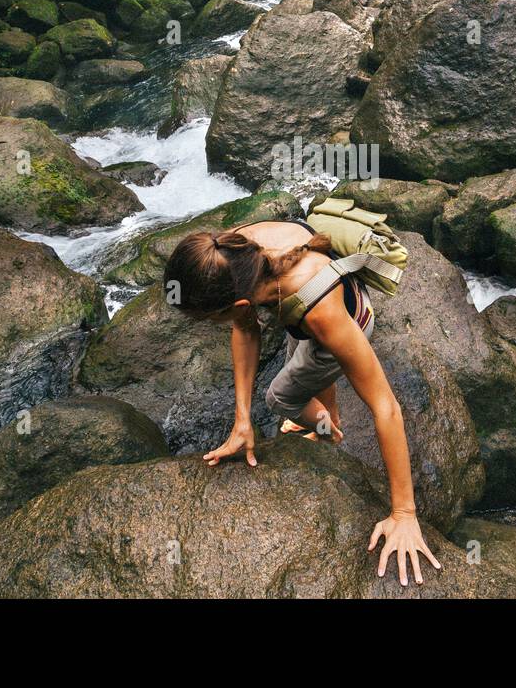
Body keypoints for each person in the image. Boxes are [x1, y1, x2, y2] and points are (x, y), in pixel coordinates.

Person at [163, 221, 441, 586]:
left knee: (280, 396)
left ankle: (328, 426)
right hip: (311, 307)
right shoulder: (229, 252)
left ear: (241, 303)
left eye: (212, 317)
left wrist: (404, 513)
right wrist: (242, 421)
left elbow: (385, 405)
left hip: (347, 317)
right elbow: (246, 328)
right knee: (303, 350)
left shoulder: (319, 313)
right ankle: (328, 419)